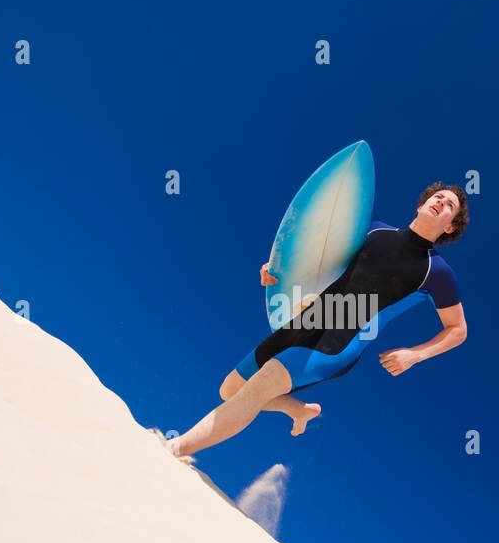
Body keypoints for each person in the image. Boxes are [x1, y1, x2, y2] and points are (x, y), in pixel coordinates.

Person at [168, 181, 469, 458]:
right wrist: (277, 270)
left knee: (268, 377)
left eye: (449, 206)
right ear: (422, 203)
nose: (440, 203)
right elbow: (322, 261)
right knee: (231, 389)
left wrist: (415, 355)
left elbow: (457, 329)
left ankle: (173, 449)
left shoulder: (437, 272)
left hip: (343, 338)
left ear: (450, 226)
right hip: (308, 320)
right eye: (437, 197)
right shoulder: (375, 231)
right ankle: (296, 409)